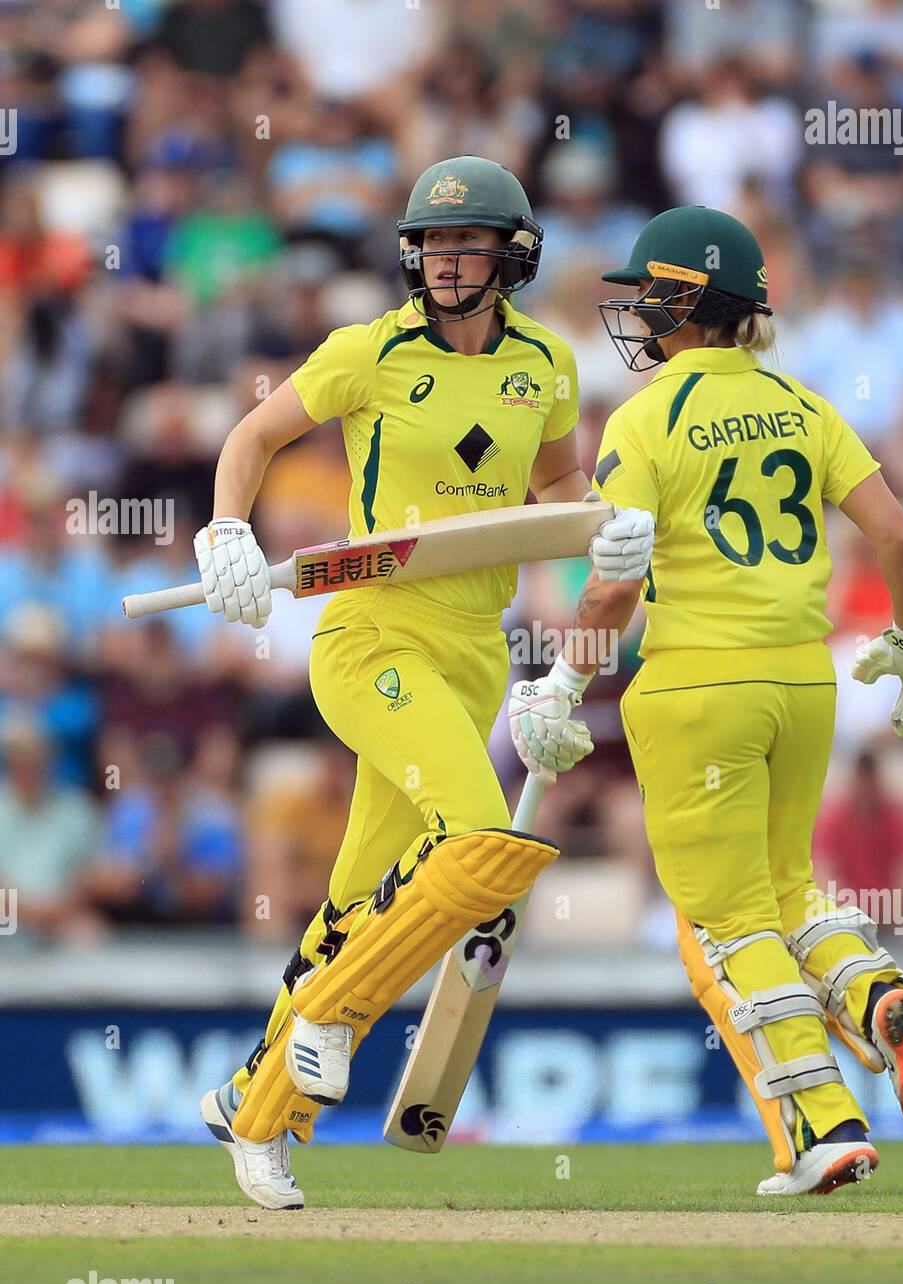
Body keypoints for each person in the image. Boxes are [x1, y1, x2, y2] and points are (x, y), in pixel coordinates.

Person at [195, 156, 654, 1209]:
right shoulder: (370, 351)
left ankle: (254, 1107)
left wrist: (606, 534)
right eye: (435, 245)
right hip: (371, 633)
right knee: (480, 842)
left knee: (361, 897)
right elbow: (256, 436)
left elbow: (554, 490)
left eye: (469, 245)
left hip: (475, 647)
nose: (449, 262)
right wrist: (226, 524)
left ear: (510, 256)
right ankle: (331, 1016)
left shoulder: (544, 360)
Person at [508, 207, 903, 1196]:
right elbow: (901, 540)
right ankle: (883, 995)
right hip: (804, 679)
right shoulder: (801, 402)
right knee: (787, 890)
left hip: (694, 685)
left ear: (683, 303)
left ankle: (823, 1124)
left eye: (647, 296)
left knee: (724, 924)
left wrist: (562, 682)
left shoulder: (644, 417)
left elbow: (615, 583)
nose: (634, 314)